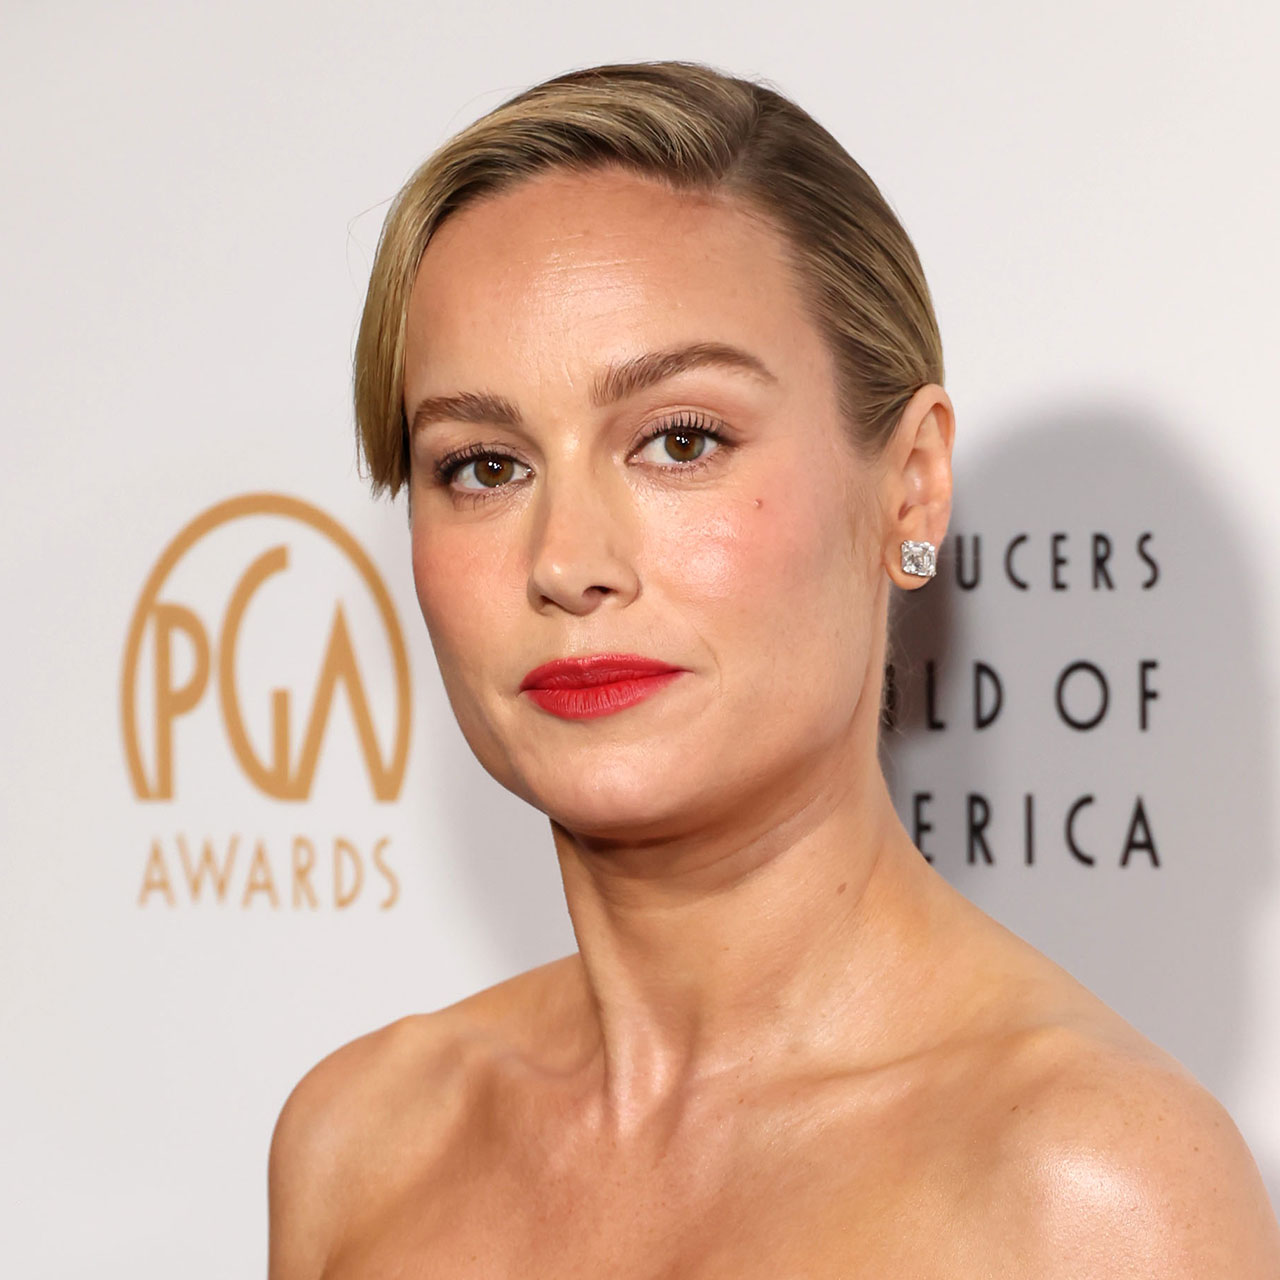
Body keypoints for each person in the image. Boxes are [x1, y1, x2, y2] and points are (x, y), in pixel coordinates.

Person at [267, 60, 1280, 1277]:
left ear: (909, 485)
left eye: (678, 440)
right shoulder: (362, 1142)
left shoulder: (1089, 1195)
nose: (566, 561)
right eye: (483, 465)